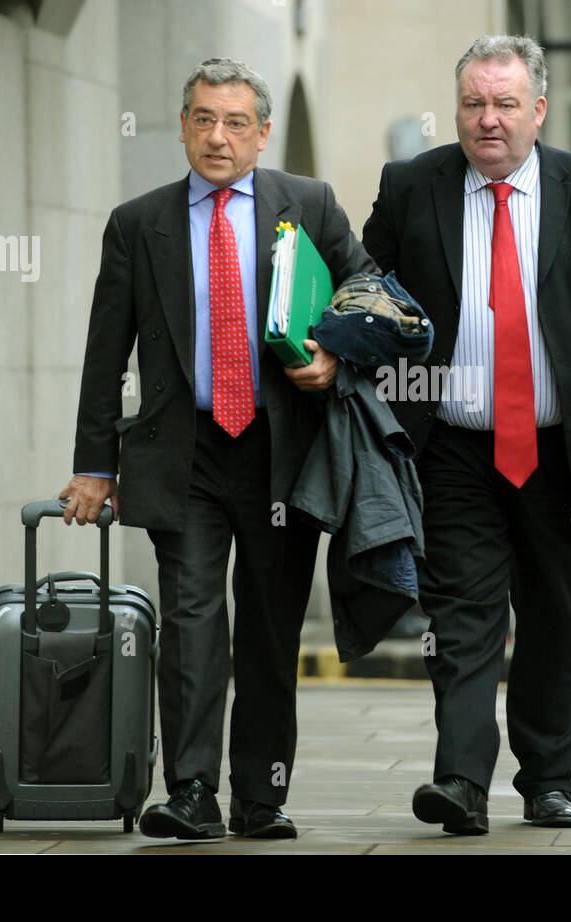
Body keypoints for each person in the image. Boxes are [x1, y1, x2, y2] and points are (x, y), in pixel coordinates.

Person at [59, 58, 374, 839]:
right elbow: (107, 354)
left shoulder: (309, 205)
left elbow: (367, 292)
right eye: (203, 119)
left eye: (235, 122)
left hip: (280, 451)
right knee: (193, 620)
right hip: (185, 453)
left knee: (269, 629)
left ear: (263, 133)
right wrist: (95, 465)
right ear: (182, 126)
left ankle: (262, 797)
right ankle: (192, 792)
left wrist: (332, 356)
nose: (217, 137)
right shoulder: (140, 223)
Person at [362, 35, 571, 834]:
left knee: (552, 616)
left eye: (504, 104)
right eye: (473, 104)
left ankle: (546, 779)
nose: (486, 121)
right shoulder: (411, 186)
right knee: (462, 618)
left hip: (559, 448)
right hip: (453, 444)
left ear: (538, 109)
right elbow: (369, 284)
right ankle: (461, 781)